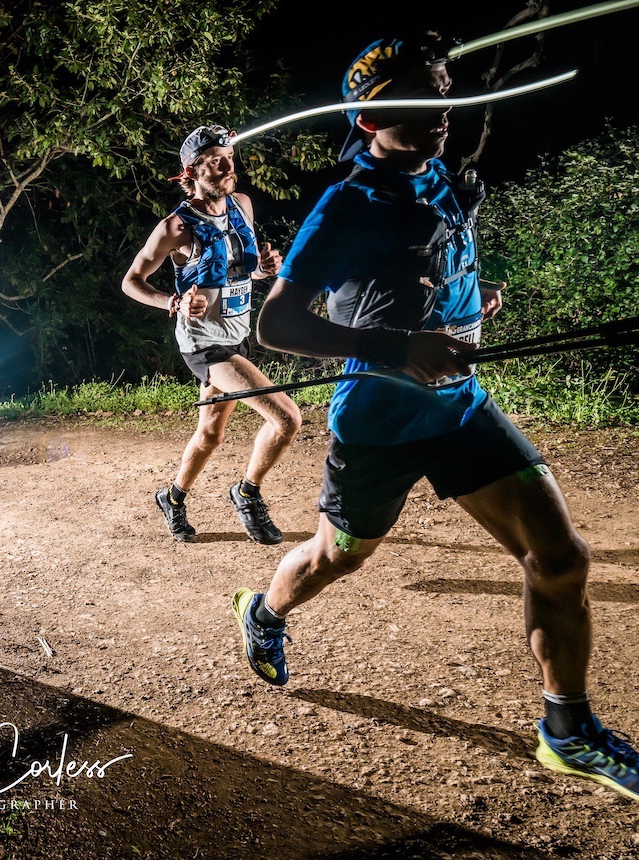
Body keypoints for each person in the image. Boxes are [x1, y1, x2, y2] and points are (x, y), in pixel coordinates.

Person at [231, 34, 638, 799]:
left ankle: (568, 730)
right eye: (418, 95)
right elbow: (276, 325)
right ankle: (264, 609)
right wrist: (391, 346)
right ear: (367, 118)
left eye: (444, 88)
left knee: (562, 558)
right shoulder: (346, 205)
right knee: (335, 557)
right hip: (378, 421)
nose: (441, 107)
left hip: (458, 408)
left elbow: (434, 267)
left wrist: (468, 306)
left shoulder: (442, 175)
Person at [121, 124, 300, 545]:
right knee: (286, 418)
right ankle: (247, 493)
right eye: (215, 161)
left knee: (210, 434)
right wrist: (173, 302)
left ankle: (172, 497)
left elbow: (243, 271)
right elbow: (131, 281)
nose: (226, 165)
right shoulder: (176, 227)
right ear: (193, 171)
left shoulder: (242, 205)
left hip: (236, 333)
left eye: (228, 157)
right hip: (203, 343)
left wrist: (265, 269)